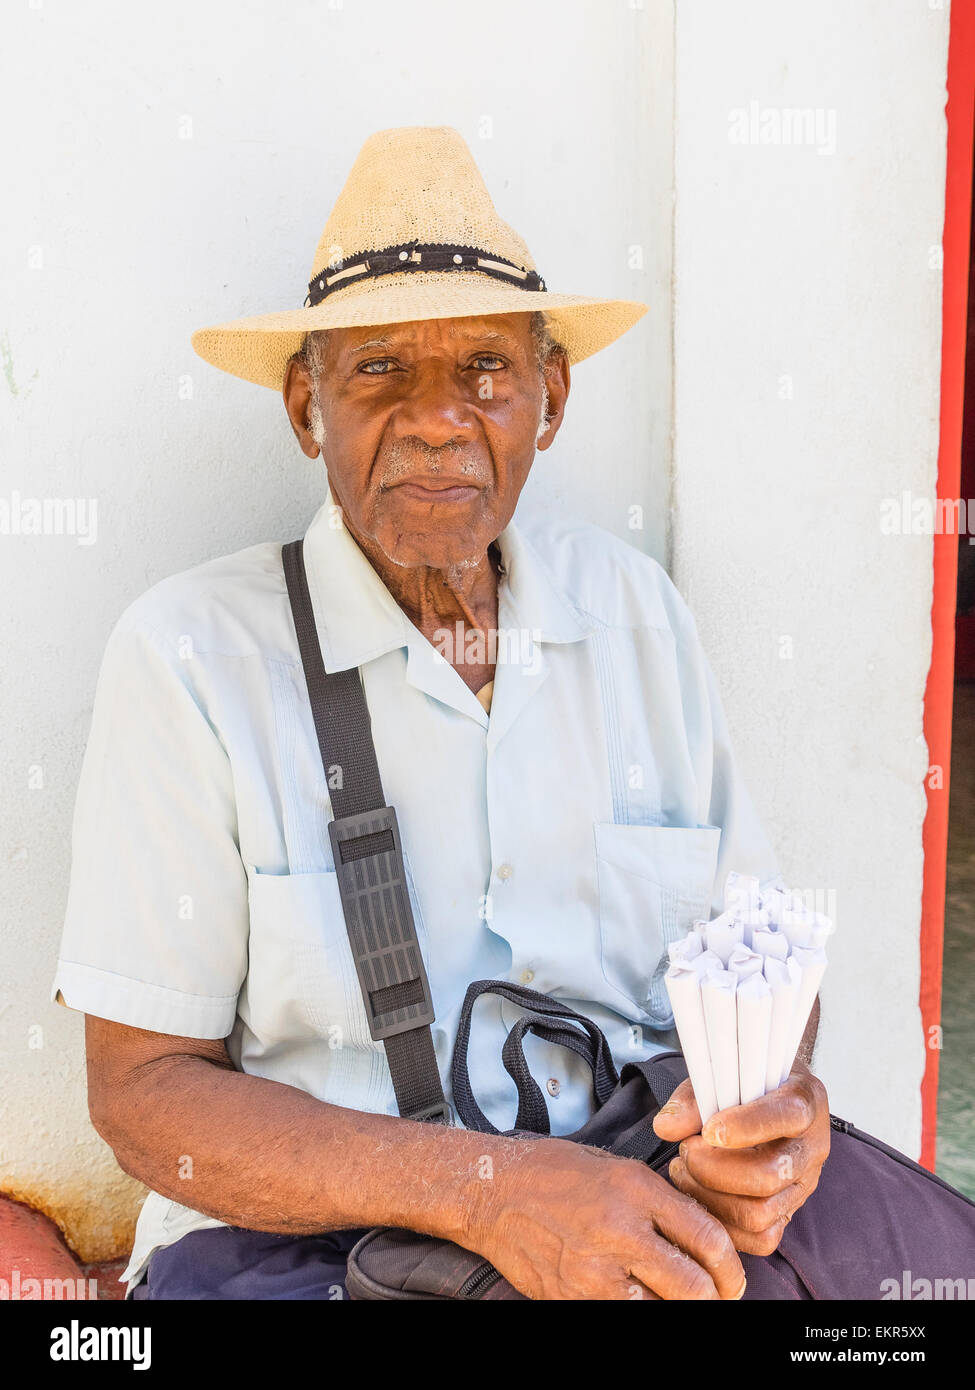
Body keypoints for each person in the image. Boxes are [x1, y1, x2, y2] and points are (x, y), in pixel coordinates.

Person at [51, 127, 968, 1301]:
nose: (439, 418)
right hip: (319, 1244)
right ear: (304, 405)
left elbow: (761, 965)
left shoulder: (637, 617)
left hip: (641, 1188)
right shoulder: (190, 660)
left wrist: (770, 1111)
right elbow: (141, 1093)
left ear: (551, 400)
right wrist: (489, 1190)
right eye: (380, 368)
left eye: (486, 367)